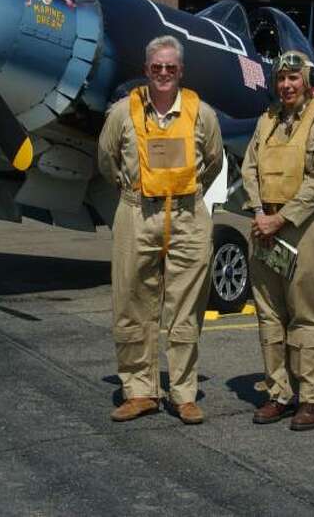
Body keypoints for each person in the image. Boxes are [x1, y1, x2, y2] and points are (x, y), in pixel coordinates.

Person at [97, 35, 224, 424]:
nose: (164, 73)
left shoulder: (202, 113)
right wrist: (134, 192)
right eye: (157, 68)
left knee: (186, 308)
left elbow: (215, 161)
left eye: (171, 67)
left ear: (181, 71)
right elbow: (106, 159)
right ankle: (139, 391)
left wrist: (185, 195)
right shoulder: (122, 112)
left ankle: (183, 394)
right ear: (146, 70)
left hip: (187, 215)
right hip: (137, 213)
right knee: (132, 304)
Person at [241, 49, 314, 431]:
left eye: (293, 78)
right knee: (270, 316)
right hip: (264, 225)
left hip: (303, 229)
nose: (286, 85)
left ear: (307, 80)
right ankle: (279, 394)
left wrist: (280, 219)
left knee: (308, 317)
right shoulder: (266, 120)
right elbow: (249, 167)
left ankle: (312, 399)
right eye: (281, 78)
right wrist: (258, 214)